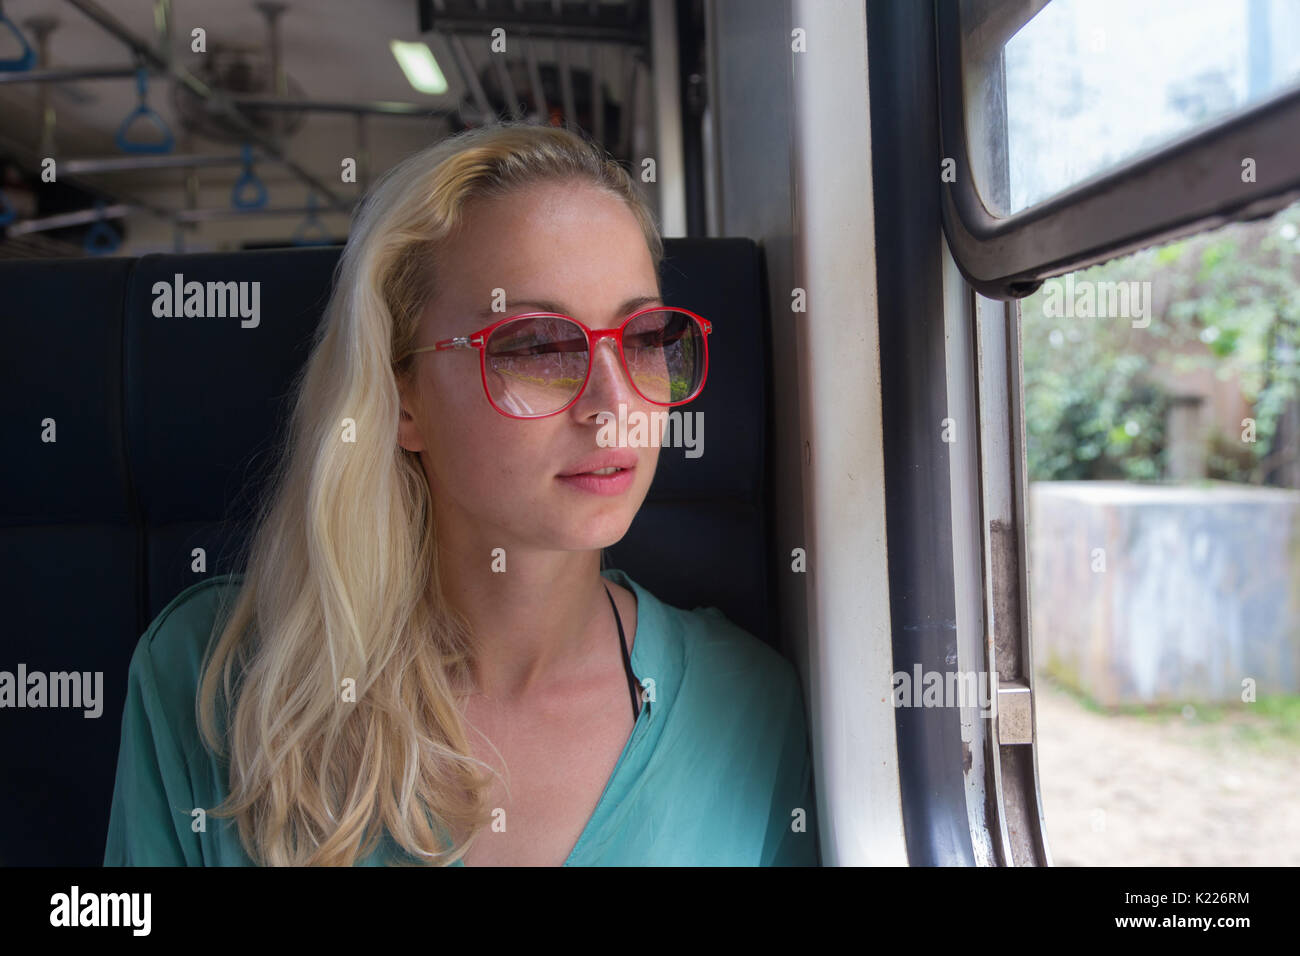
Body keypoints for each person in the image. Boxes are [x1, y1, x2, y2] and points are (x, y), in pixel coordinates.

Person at [103, 121, 819, 866]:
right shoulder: (211, 678)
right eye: (539, 346)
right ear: (401, 395)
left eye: (642, 339)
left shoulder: (752, 711)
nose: (612, 407)